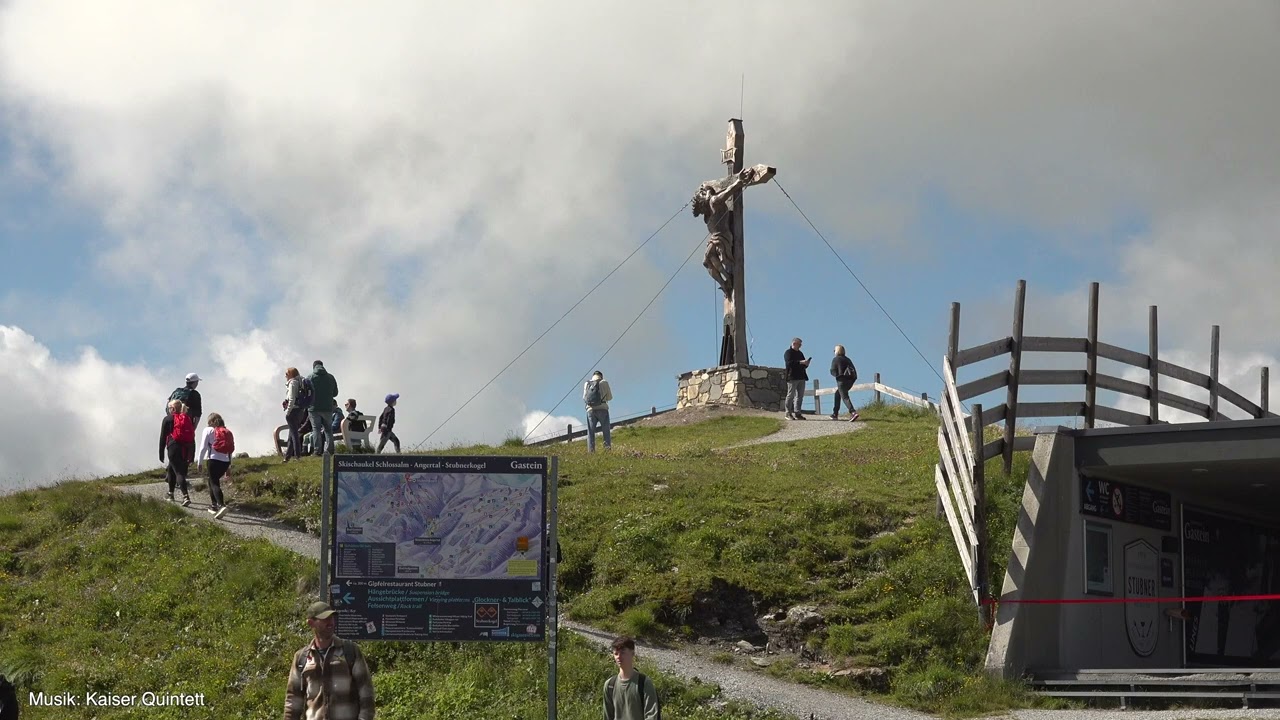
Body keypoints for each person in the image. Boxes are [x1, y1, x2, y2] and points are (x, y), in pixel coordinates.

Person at [284, 601, 375, 720]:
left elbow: (366, 692)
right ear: (311, 623)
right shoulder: (301, 658)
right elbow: (293, 701)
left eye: (331, 618)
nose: (330, 622)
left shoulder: (350, 651)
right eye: (324, 619)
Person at [603, 636, 660, 720]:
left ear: (632, 653)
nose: (619, 656)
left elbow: (652, 715)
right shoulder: (610, 685)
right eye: (616, 654)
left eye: (623, 652)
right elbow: (607, 717)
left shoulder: (643, 683)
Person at [159, 399, 196, 506]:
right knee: (171, 469)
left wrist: (161, 453)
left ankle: (185, 496)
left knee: (178, 472)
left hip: (173, 447)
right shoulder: (187, 418)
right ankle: (170, 494)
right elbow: (192, 437)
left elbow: (162, 437)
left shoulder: (168, 419)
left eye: (169, 408)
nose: (168, 410)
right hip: (186, 448)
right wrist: (192, 454)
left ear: (173, 409)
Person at [197, 412, 233, 519]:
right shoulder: (227, 431)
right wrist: (229, 466)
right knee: (212, 481)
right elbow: (230, 450)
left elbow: (203, 447)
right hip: (225, 462)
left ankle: (221, 505)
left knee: (214, 483)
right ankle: (214, 505)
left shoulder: (208, 430)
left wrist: (199, 462)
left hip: (213, 460)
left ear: (211, 422)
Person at [307, 361, 340, 456]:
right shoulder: (330, 377)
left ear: (314, 367)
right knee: (328, 430)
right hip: (328, 408)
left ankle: (317, 451)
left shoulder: (310, 377)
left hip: (314, 408)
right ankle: (330, 450)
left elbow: (306, 392)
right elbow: (335, 393)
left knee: (316, 429)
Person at [583, 371, 614, 452]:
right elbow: (610, 397)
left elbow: (584, 398)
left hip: (590, 410)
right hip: (603, 409)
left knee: (590, 432)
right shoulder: (604, 382)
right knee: (606, 431)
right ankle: (607, 450)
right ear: (601, 376)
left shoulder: (587, 383)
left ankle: (591, 451)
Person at [828, 344, 860, 422]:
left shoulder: (836, 359)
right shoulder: (848, 359)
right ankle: (835, 413)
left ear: (837, 351)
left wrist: (838, 376)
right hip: (850, 381)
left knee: (845, 397)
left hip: (841, 381)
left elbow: (832, 371)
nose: (834, 351)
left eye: (834, 350)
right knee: (837, 394)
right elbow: (854, 372)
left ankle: (853, 412)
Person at [282, 367, 307, 462]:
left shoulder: (293, 383)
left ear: (291, 374)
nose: (285, 376)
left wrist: (288, 411)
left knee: (294, 435)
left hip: (293, 411)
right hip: (300, 411)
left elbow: (292, 399)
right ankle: (287, 457)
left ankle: (297, 456)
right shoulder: (301, 382)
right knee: (291, 434)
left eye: (286, 374)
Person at [783, 338, 811, 420]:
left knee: (800, 396)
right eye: (799, 344)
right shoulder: (788, 352)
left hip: (801, 376)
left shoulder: (800, 353)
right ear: (794, 343)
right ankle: (788, 413)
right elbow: (789, 363)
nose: (800, 346)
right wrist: (800, 362)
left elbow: (803, 365)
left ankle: (797, 413)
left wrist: (806, 364)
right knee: (790, 395)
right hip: (792, 377)